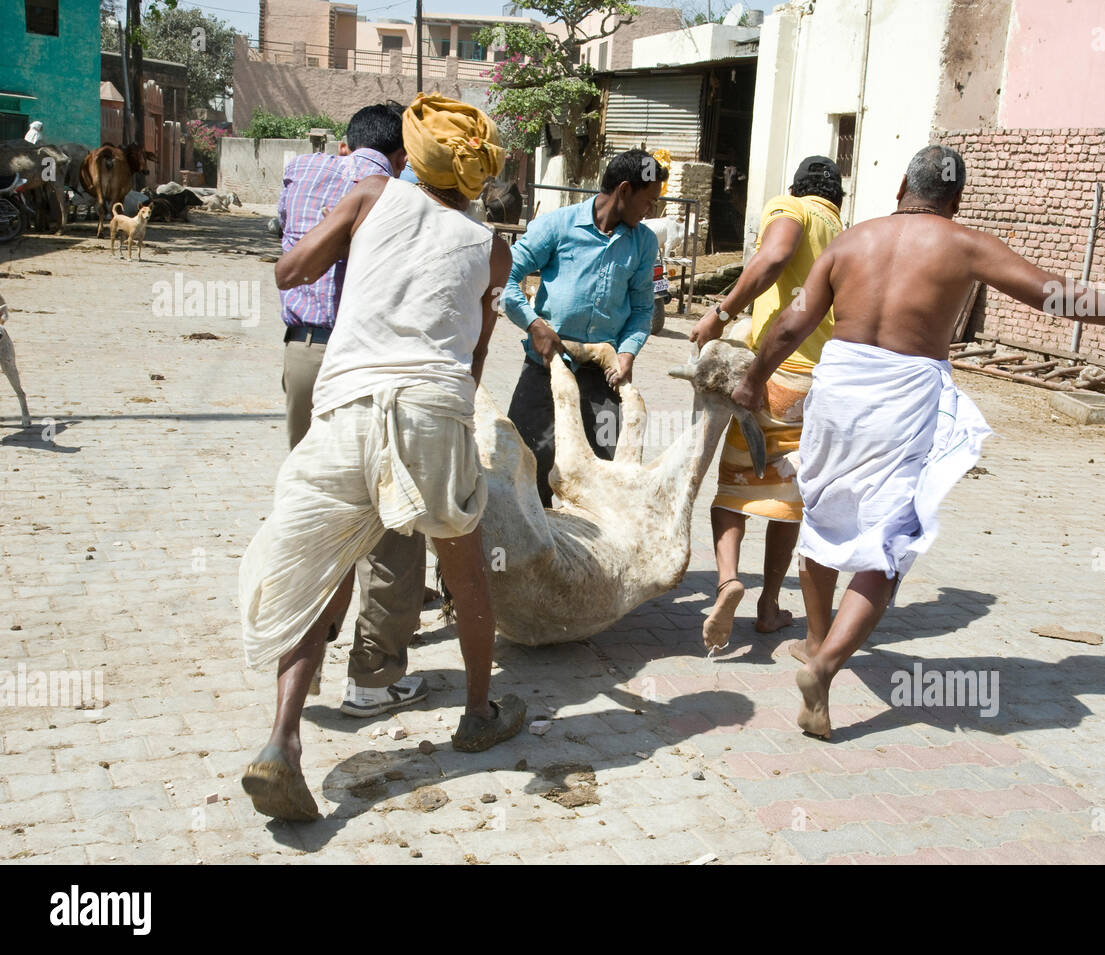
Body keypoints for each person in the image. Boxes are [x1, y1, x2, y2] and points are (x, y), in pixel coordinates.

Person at [732, 144, 1105, 740]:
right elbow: (1056, 295)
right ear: (956, 200)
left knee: (822, 517)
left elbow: (793, 322)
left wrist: (752, 380)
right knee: (891, 538)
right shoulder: (965, 244)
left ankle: (818, 639)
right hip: (903, 391)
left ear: (900, 186)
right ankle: (824, 662)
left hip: (839, 384)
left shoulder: (851, 241)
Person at [239, 94, 522, 821]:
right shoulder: (492, 248)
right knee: (463, 567)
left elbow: (288, 271)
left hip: (346, 403)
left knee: (317, 571)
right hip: (431, 408)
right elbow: (477, 352)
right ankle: (480, 713)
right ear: (477, 172)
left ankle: (281, 739)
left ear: (414, 153)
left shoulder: (369, 193)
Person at [277, 104, 433, 719]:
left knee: (317, 512)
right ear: (401, 154)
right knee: (394, 524)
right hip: (365, 370)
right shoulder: (392, 194)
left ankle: (300, 665)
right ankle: (371, 679)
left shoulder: (302, 171)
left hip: (302, 358)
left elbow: (287, 267)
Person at [689, 155, 845, 653]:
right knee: (787, 497)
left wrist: (721, 311)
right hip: (818, 383)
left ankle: (729, 580)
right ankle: (770, 604)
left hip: (770, 373)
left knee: (735, 483)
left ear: (796, 188)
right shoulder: (843, 232)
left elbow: (775, 256)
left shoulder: (791, 207)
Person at [502, 149, 666, 507]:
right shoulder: (557, 226)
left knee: (602, 476)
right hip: (543, 370)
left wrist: (626, 352)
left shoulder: (643, 242)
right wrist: (534, 325)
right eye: (649, 201)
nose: (651, 211)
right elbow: (506, 277)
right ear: (624, 190)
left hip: (601, 378)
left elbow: (641, 310)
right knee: (525, 468)